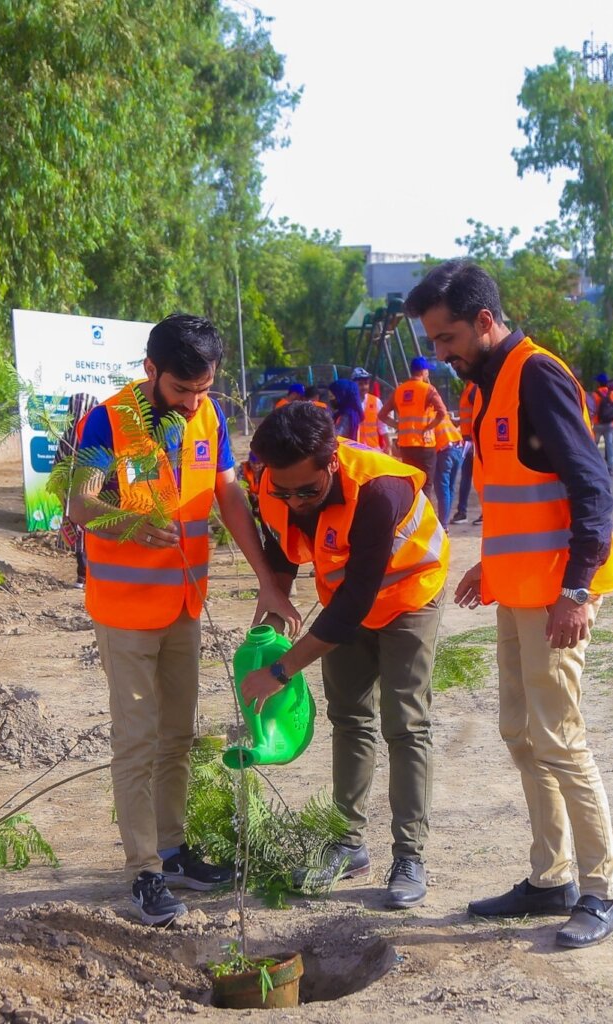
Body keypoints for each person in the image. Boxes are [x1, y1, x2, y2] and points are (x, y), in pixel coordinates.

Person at [405, 259, 613, 949]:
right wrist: (492, 566)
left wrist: (577, 591)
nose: (439, 356)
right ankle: (551, 877)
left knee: (560, 739)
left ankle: (603, 890)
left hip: (559, 596)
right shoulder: (483, 388)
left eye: (446, 339)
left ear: (483, 321)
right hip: (519, 591)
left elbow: (592, 490)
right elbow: (518, 494)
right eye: (432, 343)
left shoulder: (537, 375)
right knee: (521, 734)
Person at [69, 313, 300, 926]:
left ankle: (172, 852)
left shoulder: (208, 416)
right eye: (182, 390)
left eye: (204, 389)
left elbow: (229, 496)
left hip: (183, 605)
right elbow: (81, 502)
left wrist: (269, 580)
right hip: (124, 611)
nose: (194, 401)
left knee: (179, 734)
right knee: (138, 739)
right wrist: (132, 525)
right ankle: (143, 871)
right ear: (151, 370)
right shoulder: (107, 420)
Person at [241, 402, 449, 910]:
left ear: (332, 462)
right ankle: (348, 843)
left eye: (307, 491)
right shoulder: (272, 483)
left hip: (407, 596)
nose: (295, 501)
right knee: (350, 717)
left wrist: (281, 670)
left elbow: (357, 603)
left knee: (405, 722)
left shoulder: (379, 491)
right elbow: (281, 546)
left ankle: (409, 855)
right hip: (344, 603)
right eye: (282, 490)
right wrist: (272, 603)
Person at [379, 355, 447, 502]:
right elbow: (442, 412)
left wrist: (398, 426)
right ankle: (425, 520)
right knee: (426, 486)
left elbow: (382, 415)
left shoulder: (399, 390)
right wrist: (429, 427)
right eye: (427, 370)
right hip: (425, 445)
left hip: (406, 445)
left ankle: (412, 518)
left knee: (411, 484)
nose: (428, 373)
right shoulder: (428, 390)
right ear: (423, 372)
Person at [56, 392, 99, 588]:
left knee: (80, 533)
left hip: (74, 493)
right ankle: (88, 576)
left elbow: (57, 466)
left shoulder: (66, 436)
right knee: (88, 534)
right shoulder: (95, 434)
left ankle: (83, 576)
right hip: (91, 493)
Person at [451, 381, 480, 524]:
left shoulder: (473, 389)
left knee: (477, 478)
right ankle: (462, 512)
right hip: (469, 440)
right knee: (467, 477)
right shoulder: (468, 389)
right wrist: (458, 421)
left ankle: (464, 512)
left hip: (473, 440)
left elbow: (479, 412)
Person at [433, 412, 464, 529]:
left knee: (442, 489)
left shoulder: (427, 415)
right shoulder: (440, 413)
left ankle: (443, 525)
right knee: (450, 487)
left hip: (444, 451)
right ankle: (444, 521)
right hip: (458, 448)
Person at [352, 366, 389, 452]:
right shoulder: (349, 403)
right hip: (356, 449)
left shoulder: (376, 401)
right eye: (360, 384)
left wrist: (388, 444)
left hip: (373, 449)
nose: (364, 387)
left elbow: (382, 425)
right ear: (354, 385)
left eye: (366, 383)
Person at [590, 374, 613, 473]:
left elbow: (592, 410)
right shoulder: (612, 394)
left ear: (598, 383)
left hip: (598, 424)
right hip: (609, 424)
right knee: (609, 445)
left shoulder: (595, 394)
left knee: (593, 445)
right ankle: (610, 467)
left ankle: (593, 465)